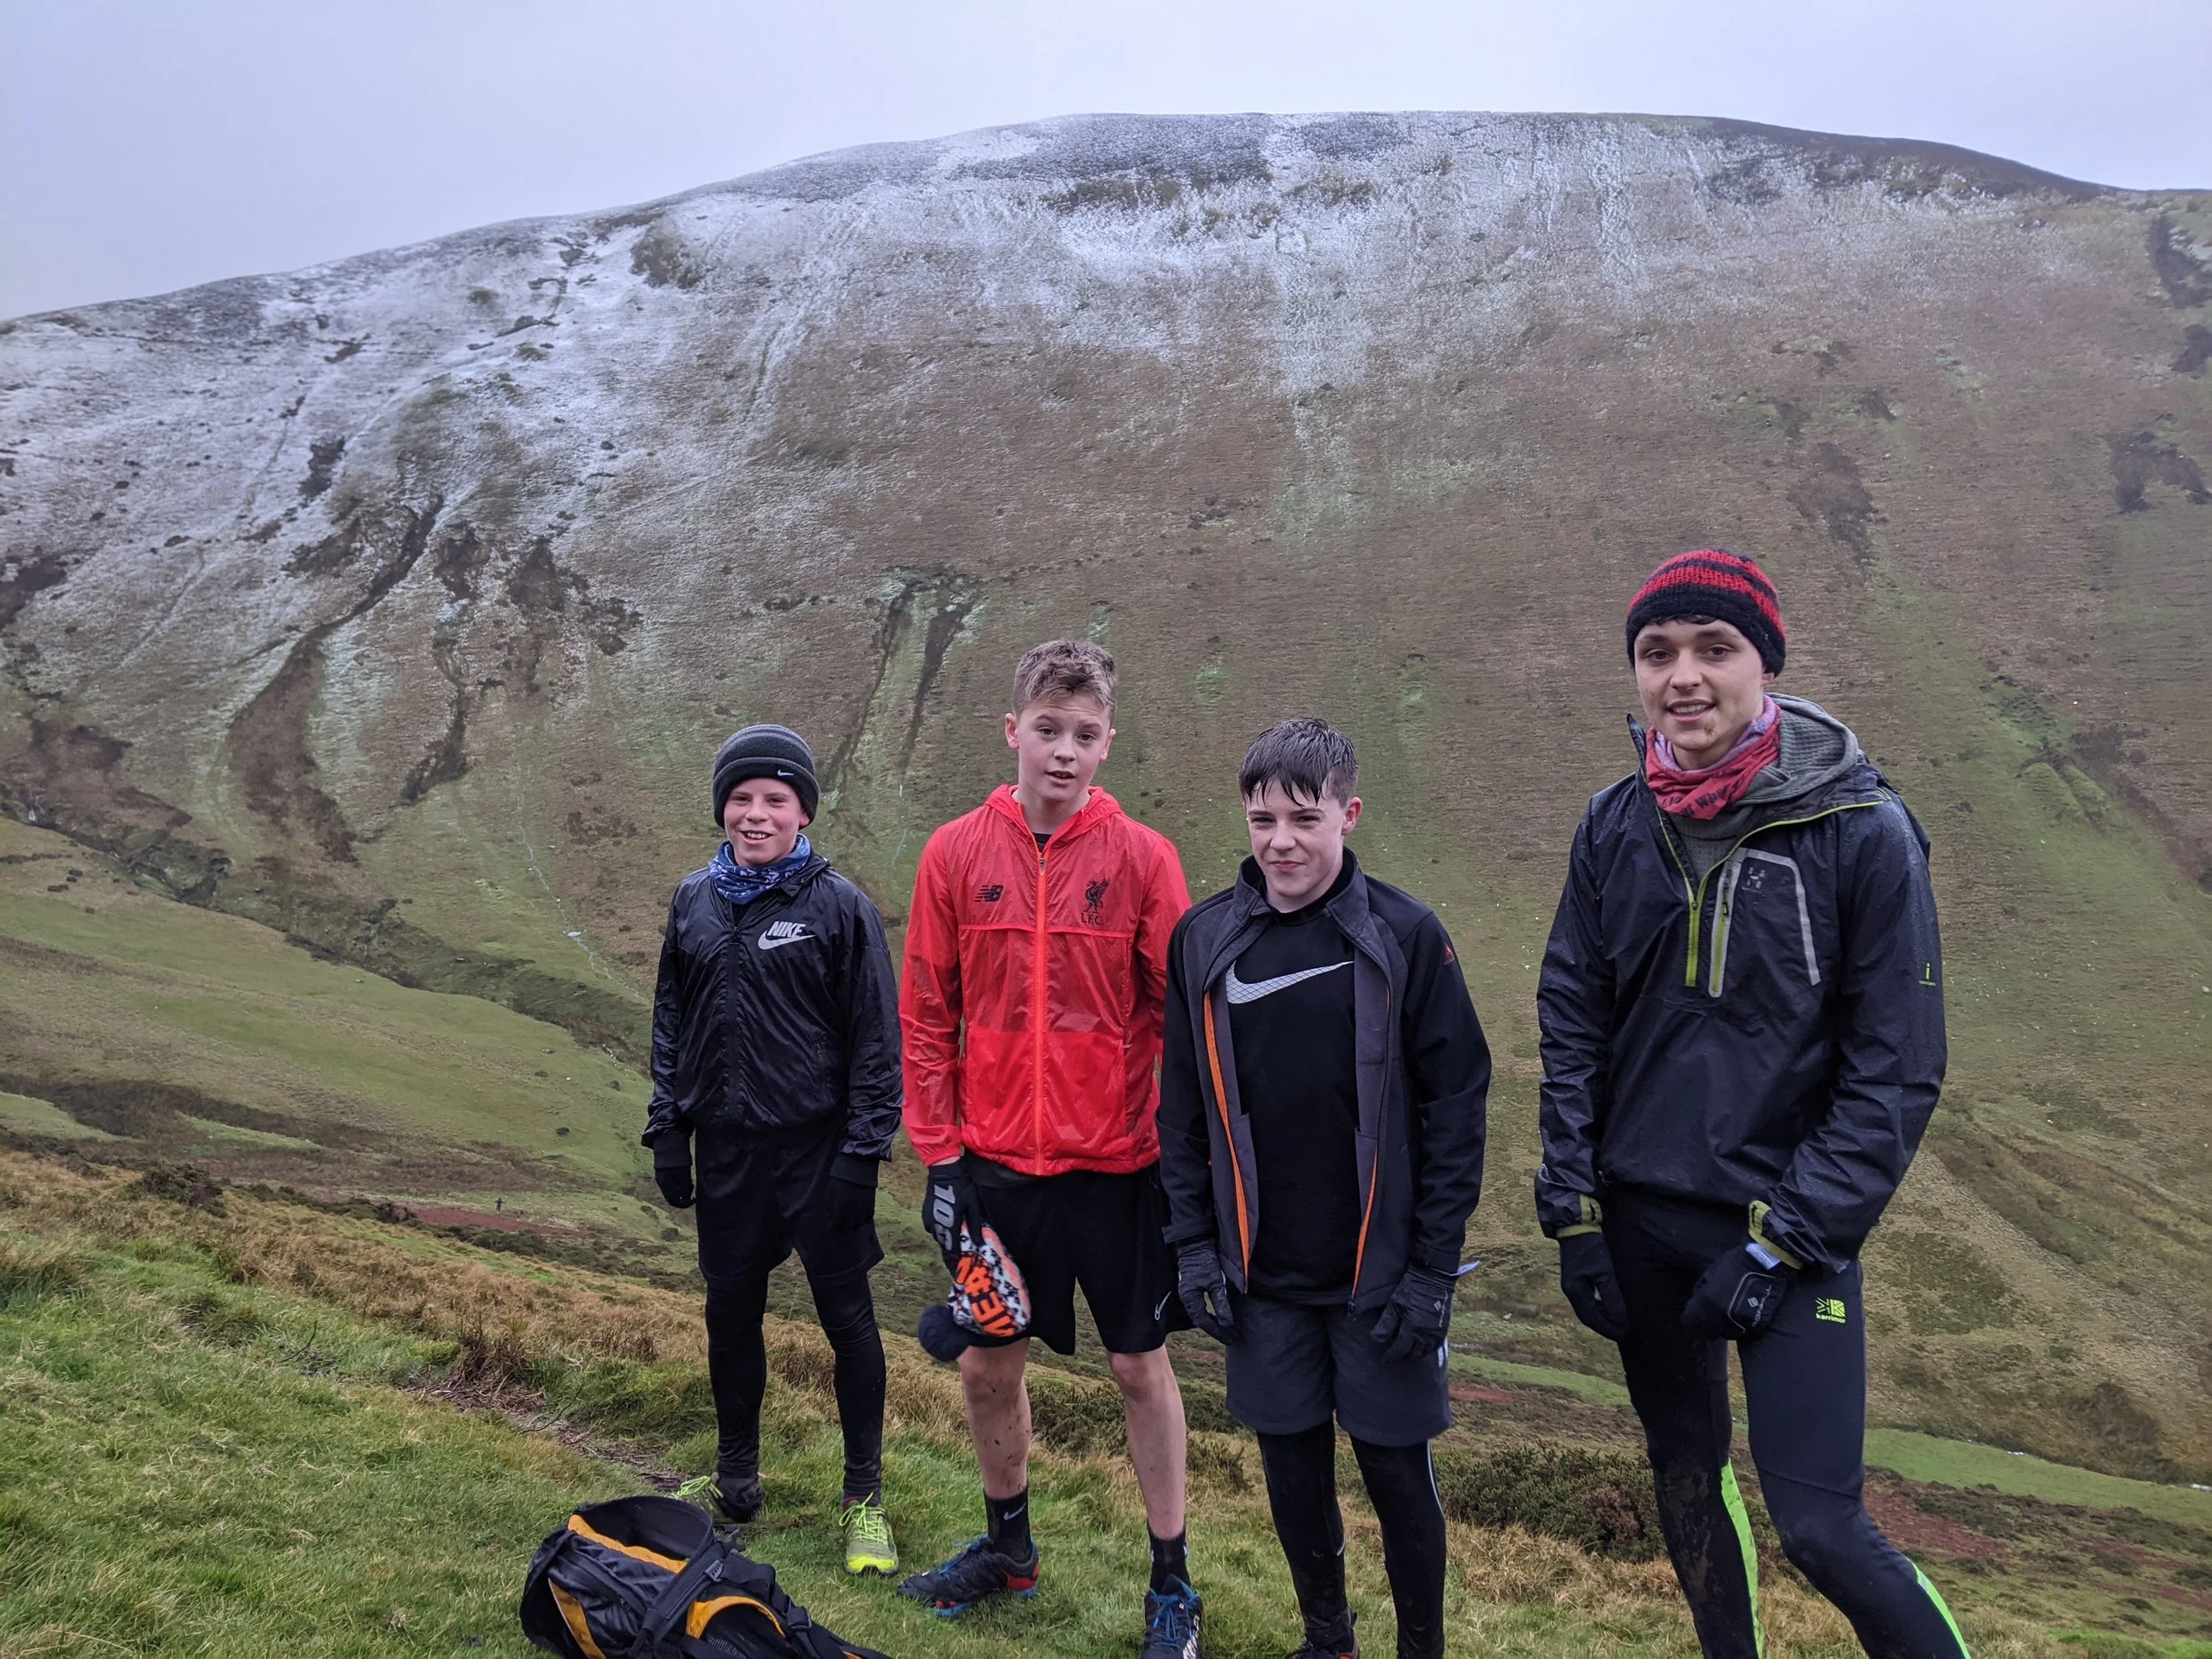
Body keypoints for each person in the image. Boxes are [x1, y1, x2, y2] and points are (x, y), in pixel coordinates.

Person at [1536, 550, 1970, 1659]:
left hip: (1785, 1241)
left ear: (1763, 665)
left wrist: (1781, 1248)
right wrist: (1575, 1209)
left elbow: (1896, 1070)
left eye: (1712, 650)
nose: (1683, 678)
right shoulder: (1612, 821)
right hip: (1639, 1226)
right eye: (1656, 653)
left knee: (1820, 1527)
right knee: (1684, 1480)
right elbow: (1573, 1015)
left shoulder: (1863, 830)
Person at [1158, 718, 1492, 1659]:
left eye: (1304, 818)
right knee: (1291, 1473)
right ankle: (1327, 1639)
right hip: (1261, 1279)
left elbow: (1457, 1107)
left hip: (1379, 1281)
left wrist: (1430, 1272)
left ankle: (1419, 1648)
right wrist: (1191, 1247)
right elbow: (1178, 1108)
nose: (1280, 843)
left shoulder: (1407, 935)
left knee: (1395, 1476)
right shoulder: (1204, 940)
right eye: (1262, 819)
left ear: (1347, 814)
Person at [898, 640, 1200, 1658]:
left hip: (1116, 1169)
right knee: (989, 1368)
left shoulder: (1145, 859)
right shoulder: (952, 854)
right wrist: (940, 1160)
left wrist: (1183, 1162)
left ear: (1107, 745)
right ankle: (1009, 1552)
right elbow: (927, 1017)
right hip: (991, 1169)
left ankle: (1172, 1585)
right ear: (1012, 731)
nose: (1062, 752)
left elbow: (1185, 1018)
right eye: (1047, 730)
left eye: (1084, 735)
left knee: (1136, 1368)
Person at [644, 723, 902, 1578]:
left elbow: (876, 1042)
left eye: (775, 800)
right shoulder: (694, 900)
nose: (755, 814)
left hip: (817, 1156)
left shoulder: (840, 907)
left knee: (849, 1325)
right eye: (741, 798)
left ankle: (864, 1501)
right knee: (730, 1318)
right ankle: (736, 1484)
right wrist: (668, 1128)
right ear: (723, 806)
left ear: (802, 812)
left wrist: (862, 1155)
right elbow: (672, 1021)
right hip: (726, 1156)